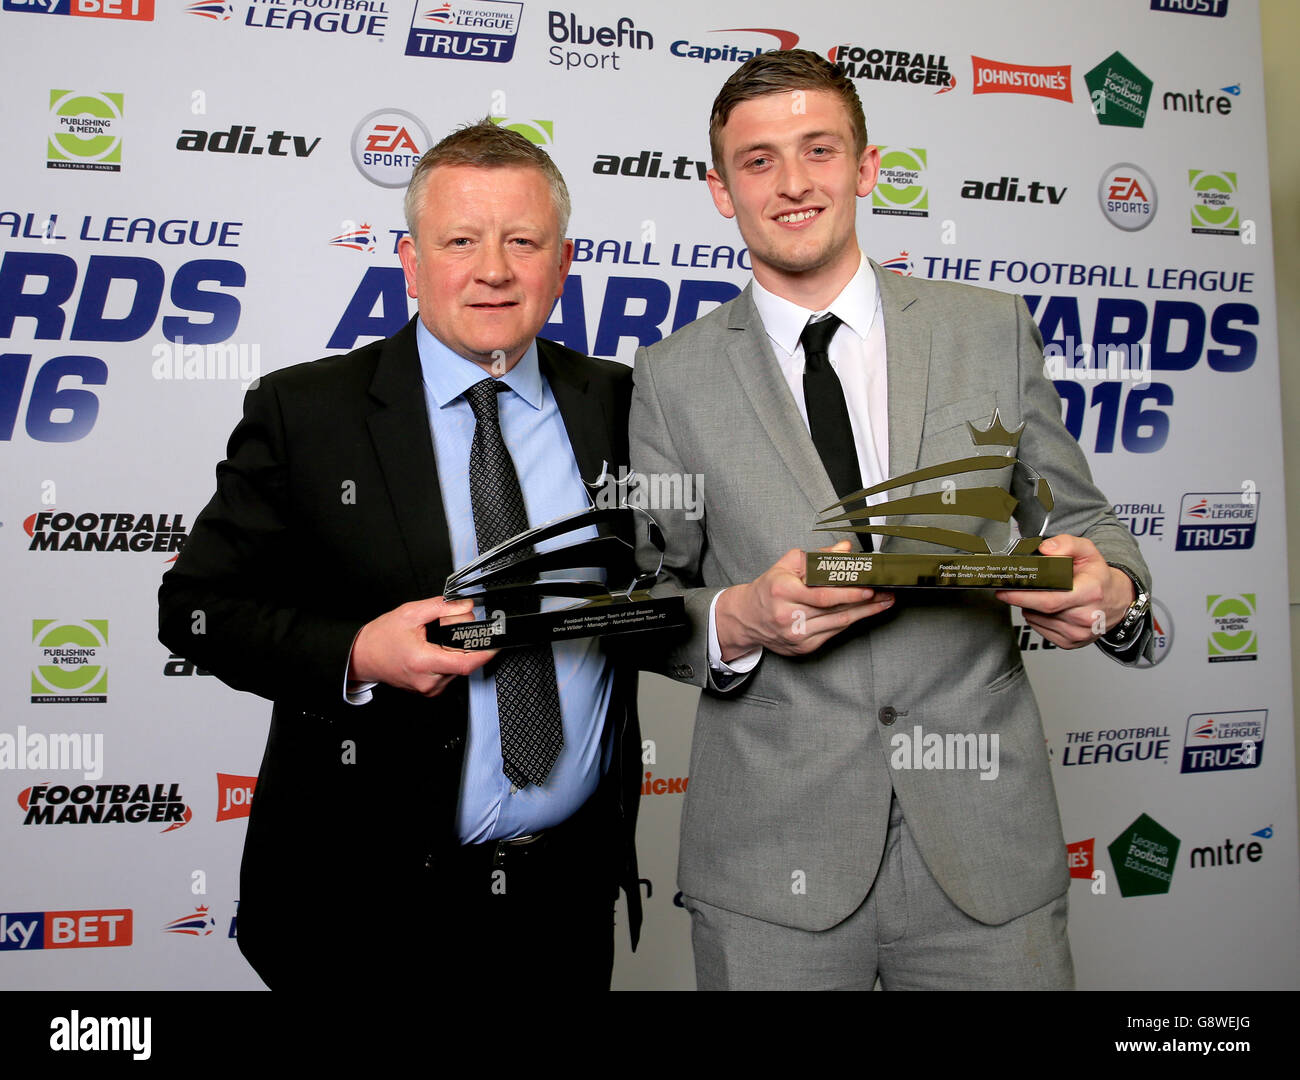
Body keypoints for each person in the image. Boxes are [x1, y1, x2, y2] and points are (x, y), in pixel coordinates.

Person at [629, 50, 1153, 990]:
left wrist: (1109, 591)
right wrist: (741, 619)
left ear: (866, 169)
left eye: (818, 150)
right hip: (770, 870)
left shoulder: (989, 329)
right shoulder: (671, 377)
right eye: (757, 161)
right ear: (720, 189)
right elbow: (647, 595)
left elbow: (1086, 522)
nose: (792, 184)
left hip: (988, 860)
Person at [159, 119, 641, 991]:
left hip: (561, 905)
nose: (493, 268)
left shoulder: (621, 403)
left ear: (561, 265)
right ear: (411, 263)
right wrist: (357, 654)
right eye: (461, 240)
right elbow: (196, 610)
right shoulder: (309, 413)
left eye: (522, 241)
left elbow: (672, 586)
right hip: (363, 910)